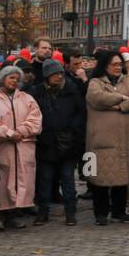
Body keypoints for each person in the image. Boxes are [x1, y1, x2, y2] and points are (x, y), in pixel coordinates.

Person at [0, 64, 43, 230]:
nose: (14, 81)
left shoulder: (27, 98)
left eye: (17, 79)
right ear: (3, 78)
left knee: (19, 181)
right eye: (11, 78)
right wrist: (8, 133)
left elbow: (35, 119)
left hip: (22, 147)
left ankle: (13, 215)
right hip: (1, 147)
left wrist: (21, 132)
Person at [85, 49, 129, 226]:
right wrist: (120, 97)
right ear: (105, 66)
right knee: (99, 178)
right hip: (101, 140)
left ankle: (118, 212)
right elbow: (97, 98)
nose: (118, 67)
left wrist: (119, 106)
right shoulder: (95, 82)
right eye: (114, 64)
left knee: (121, 177)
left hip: (125, 139)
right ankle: (100, 214)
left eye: (120, 64)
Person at [31, 58, 85, 226]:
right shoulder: (37, 92)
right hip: (46, 142)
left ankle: (70, 212)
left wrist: (72, 130)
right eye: (55, 74)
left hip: (68, 142)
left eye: (61, 73)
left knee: (68, 179)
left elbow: (81, 112)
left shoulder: (71, 89)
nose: (59, 77)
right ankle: (43, 212)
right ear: (47, 75)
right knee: (45, 180)